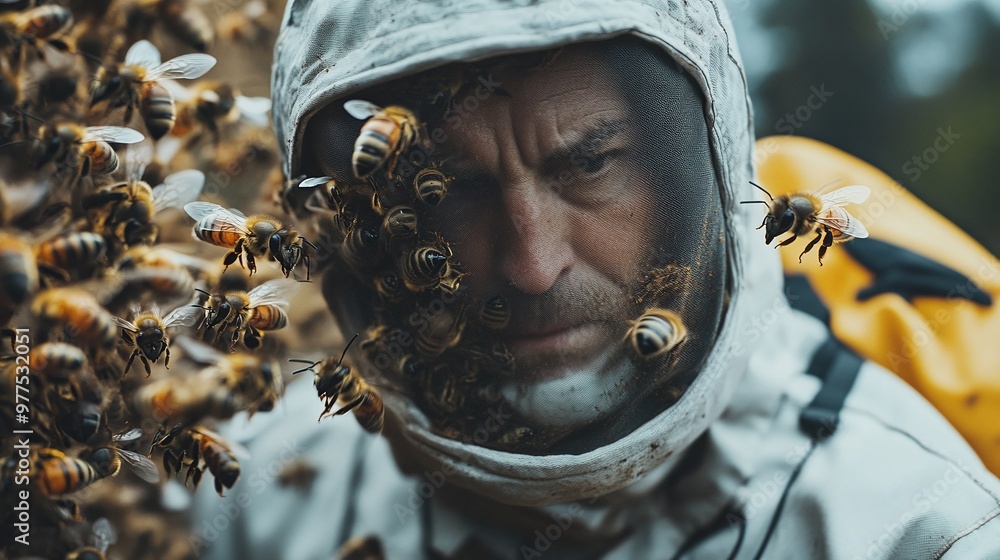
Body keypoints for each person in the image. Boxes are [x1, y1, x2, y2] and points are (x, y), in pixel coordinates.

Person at [192, 1, 1000, 558]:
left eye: (588, 163)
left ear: (695, 163)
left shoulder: (910, 527)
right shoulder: (263, 499)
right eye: (456, 188)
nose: (533, 265)